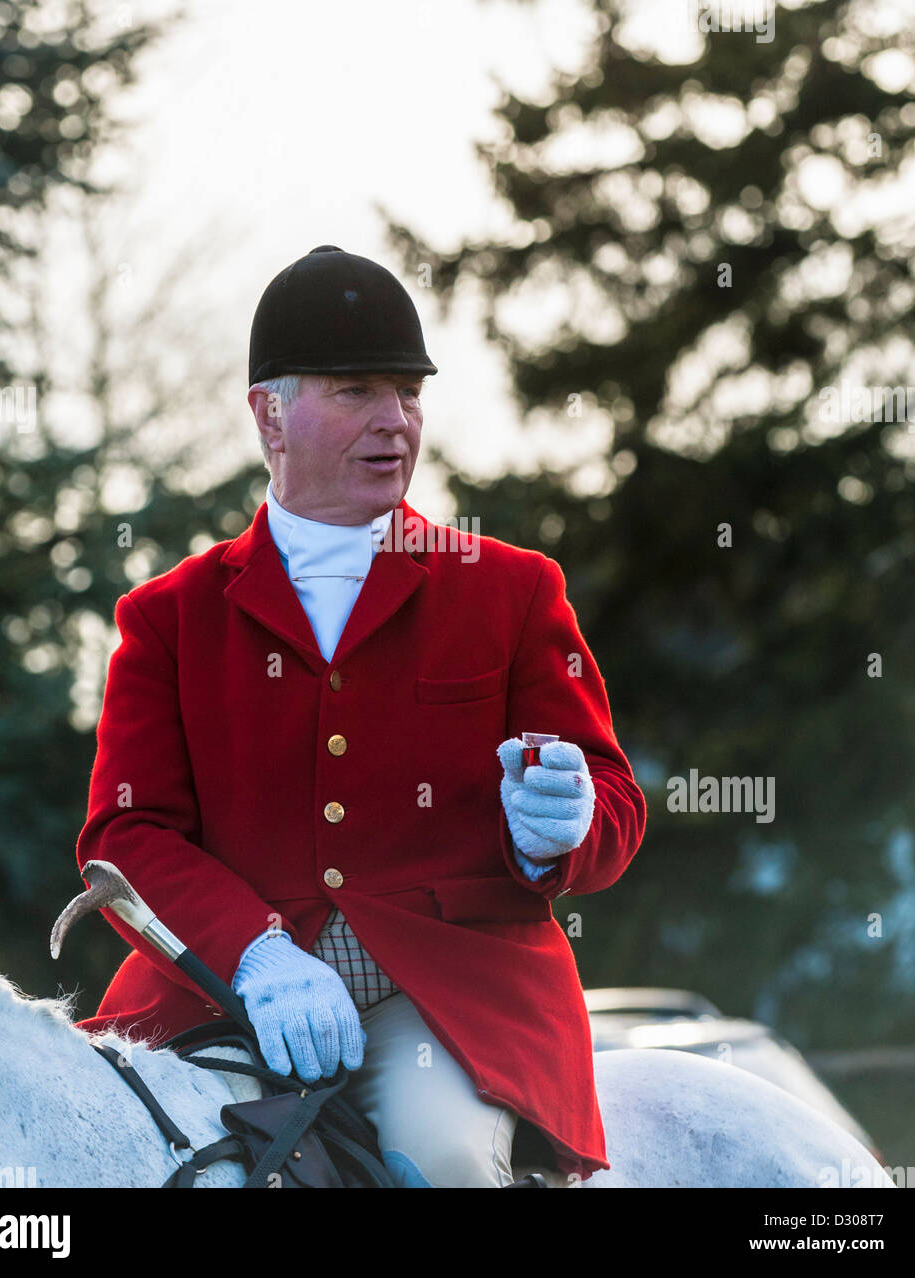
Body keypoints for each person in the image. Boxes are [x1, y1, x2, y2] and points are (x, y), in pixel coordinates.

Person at [73, 244, 647, 1187]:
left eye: (408, 393)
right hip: (227, 994)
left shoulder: (510, 590)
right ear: (269, 414)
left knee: (451, 1164)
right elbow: (126, 832)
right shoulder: (169, 617)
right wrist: (255, 953)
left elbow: (613, 802)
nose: (394, 422)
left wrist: (570, 826)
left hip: (441, 997)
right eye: (354, 392)